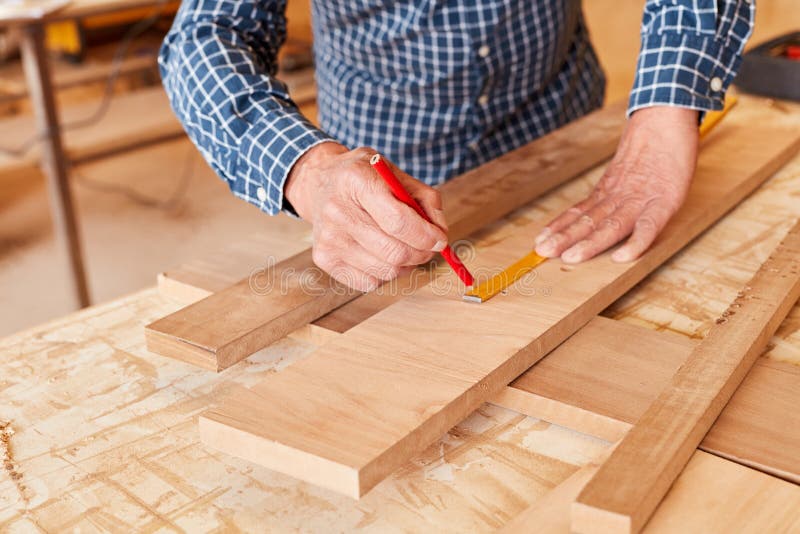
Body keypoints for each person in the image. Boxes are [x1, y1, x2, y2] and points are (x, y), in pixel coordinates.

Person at [159, 1, 754, 291]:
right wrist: (311, 175)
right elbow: (208, 36)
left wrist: (663, 113)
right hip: (387, 175)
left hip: (563, 142)